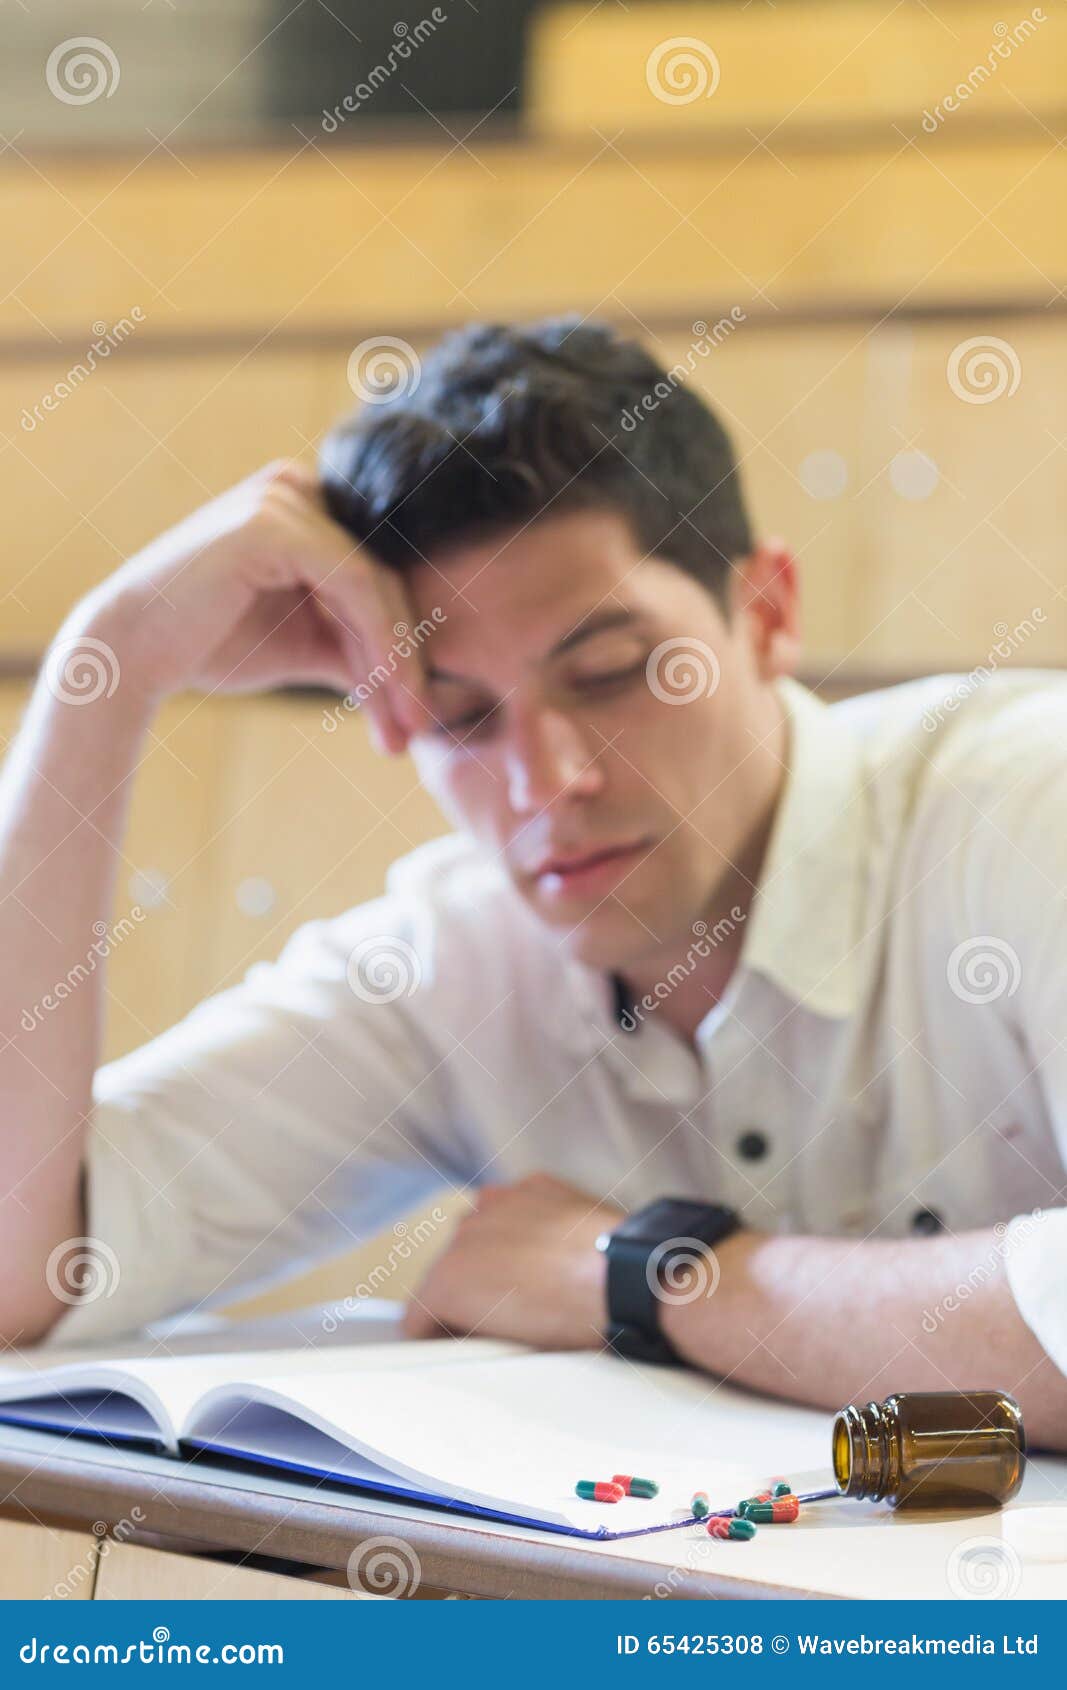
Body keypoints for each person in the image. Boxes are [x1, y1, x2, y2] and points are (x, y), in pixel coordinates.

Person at [2, 318, 1065, 1448]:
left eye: (611, 673)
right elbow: (23, 1274)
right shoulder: (448, 964)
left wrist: (654, 1278)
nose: (548, 782)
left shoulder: (1022, 807)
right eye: (461, 717)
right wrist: (104, 672)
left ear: (764, 614)